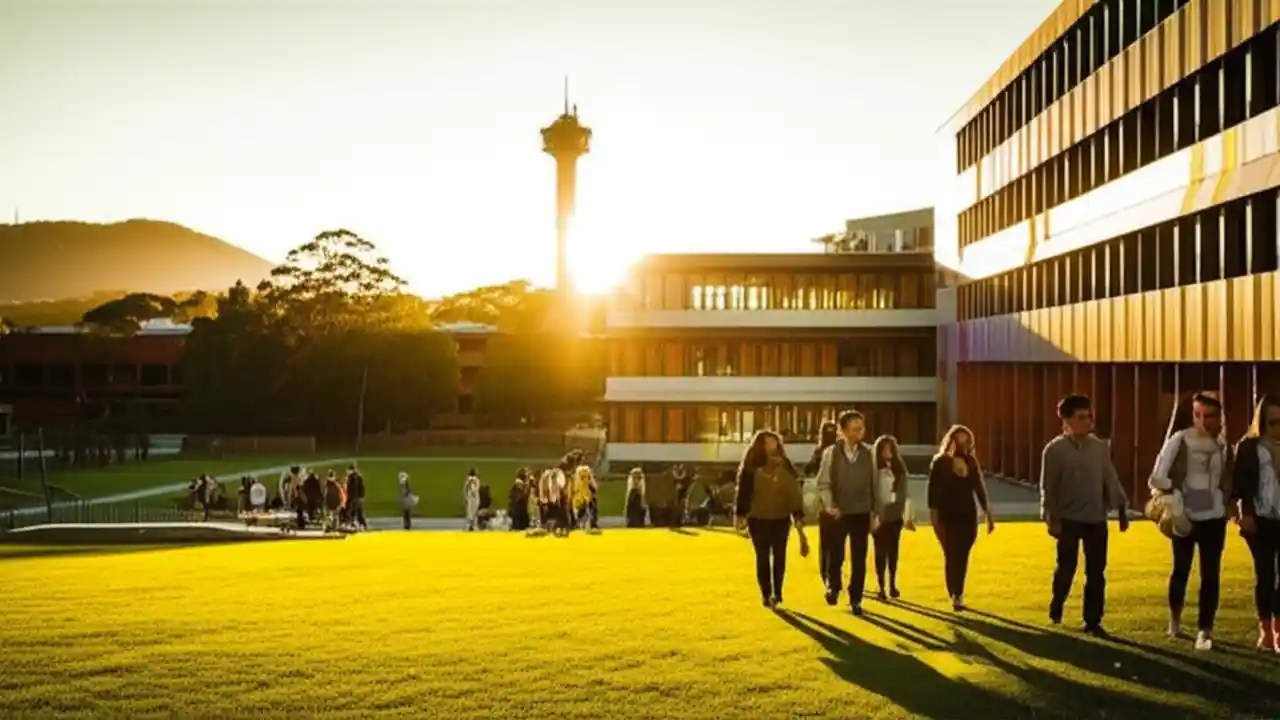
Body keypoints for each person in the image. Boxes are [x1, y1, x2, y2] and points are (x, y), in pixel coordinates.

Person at [1040, 394, 1130, 636]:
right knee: (1066, 568)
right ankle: (1057, 603)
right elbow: (1048, 487)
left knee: (1096, 573)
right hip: (1068, 521)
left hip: (1096, 520)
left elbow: (1109, 478)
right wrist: (1051, 518)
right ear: (1067, 421)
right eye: (1081, 417)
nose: (1088, 421)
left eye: (1089, 416)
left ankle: (1093, 621)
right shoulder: (1054, 450)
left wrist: (1121, 508)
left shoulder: (1100, 447)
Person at [1149, 391, 1231, 651]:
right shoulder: (1179, 440)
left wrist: (1227, 503)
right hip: (1184, 516)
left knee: (1211, 575)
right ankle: (1175, 619)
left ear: (1219, 418)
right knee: (1181, 570)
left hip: (1215, 518)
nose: (1204, 421)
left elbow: (1226, 480)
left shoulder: (1223, 445)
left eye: (1210, 416)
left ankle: (1205, 630)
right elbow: (1156, 477)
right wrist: (1174, 494)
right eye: (1199, 415)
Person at [815, 410, 879, 616]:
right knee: (836, 554)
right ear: (843, 431)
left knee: (859, 557)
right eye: (855, 428)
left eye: (861, 428)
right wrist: (830, 505)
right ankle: (833, 587)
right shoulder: (831, 453)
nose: (860, 432)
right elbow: (823, 483)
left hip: (861, 512)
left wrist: (875, 513)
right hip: (839, 512)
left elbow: (875, 485)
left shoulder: (870, 454)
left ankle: (856, 599)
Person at [1231, 393, 1280, 653]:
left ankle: (1279, 630)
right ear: (1262, 422)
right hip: (1259, 519)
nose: (1278, 429)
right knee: (1265, 574)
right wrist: (1244, 512)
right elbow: (1239, 484)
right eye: (1273, 423)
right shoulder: (1250, 447)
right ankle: (1266, 631)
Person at [734, 430, 805, 608]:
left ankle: (778, 592)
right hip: (758, 519)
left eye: (774, 443)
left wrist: (797, 515)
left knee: (780, 557)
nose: (772, 446)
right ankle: (766, 593)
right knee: (762, 558)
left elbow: (794, 491)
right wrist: (740, 514)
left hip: (781, 519)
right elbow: (743, 491)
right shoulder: (751, 466)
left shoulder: (785, 465)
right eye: (767, 443)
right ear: (760, 446)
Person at [927, 425, 993, 611]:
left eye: (966, 441)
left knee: (962, 555)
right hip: (947, 516)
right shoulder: (941, 463)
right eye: (959, 440)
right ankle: (955, 591)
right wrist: (934, 516)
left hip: (968, 515)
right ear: (951, 441)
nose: (962, 445)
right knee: (951, 555)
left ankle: (958, 592)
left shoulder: (971, 462)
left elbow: (979, 488)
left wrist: (989, 515)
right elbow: (933, 492)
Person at [872, 434, 910, 601]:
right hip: (879, 517)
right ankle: (881, 587)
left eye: (890, 448)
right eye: (884, 449)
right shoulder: (874, 471)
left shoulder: (899, 470)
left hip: (894, 516)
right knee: (879, 552)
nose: (887, 452)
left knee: (893, 552)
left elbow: (904, 494)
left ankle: (892, 583)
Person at [805, 421, 840, 592]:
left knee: (828, 541)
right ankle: (830, 575)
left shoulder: (820, 452)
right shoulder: (832, 452)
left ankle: (827, 574)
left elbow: (808, 470)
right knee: (832, 541)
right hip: (831, 502)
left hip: (829, 502)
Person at [345, 465, 367, 530]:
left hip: (355, 498)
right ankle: (362, 525)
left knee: (353, 512)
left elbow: (354, 488)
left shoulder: (354, 478)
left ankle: (354, 525)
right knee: (359, 512)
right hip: (357, 497)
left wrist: (352, 498)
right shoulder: (356, 477)